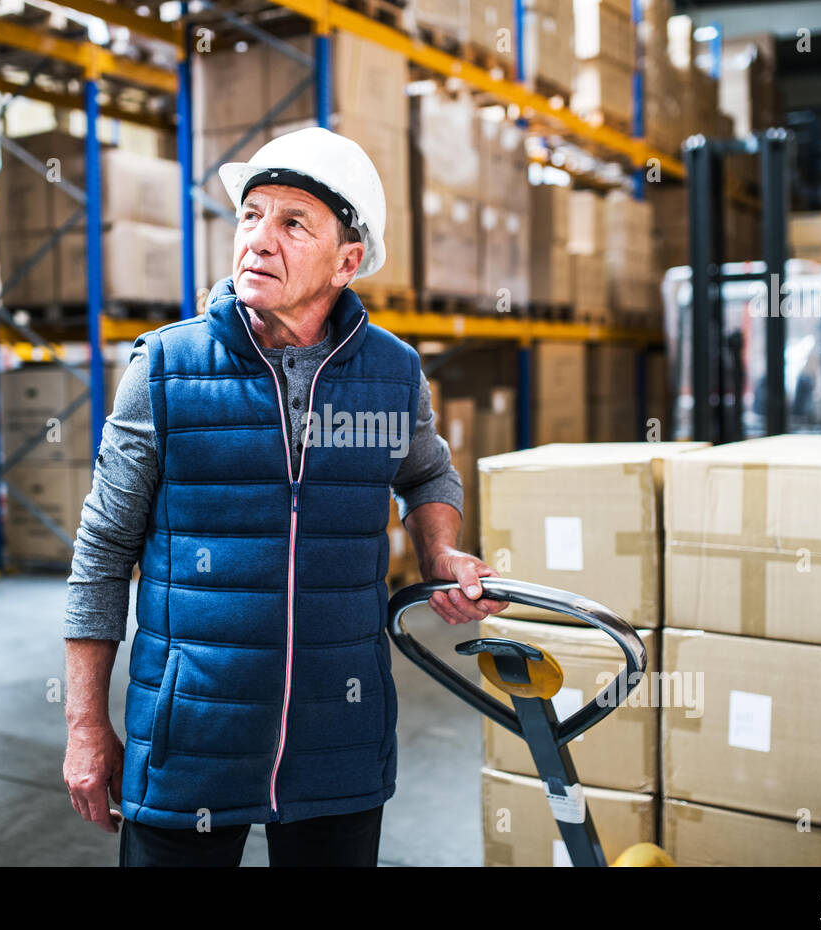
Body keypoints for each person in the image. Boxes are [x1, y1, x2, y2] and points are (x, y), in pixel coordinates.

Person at [61, 126, 508, 867]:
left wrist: (439, 550)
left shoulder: (391, 375)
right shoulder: (167, 370)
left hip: (340, 735)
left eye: (293, 222)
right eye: (251, 215)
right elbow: (101, 554)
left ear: (347, 261)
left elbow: (426, 473)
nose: (259, 240)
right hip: (190, 736)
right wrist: (85, 726)